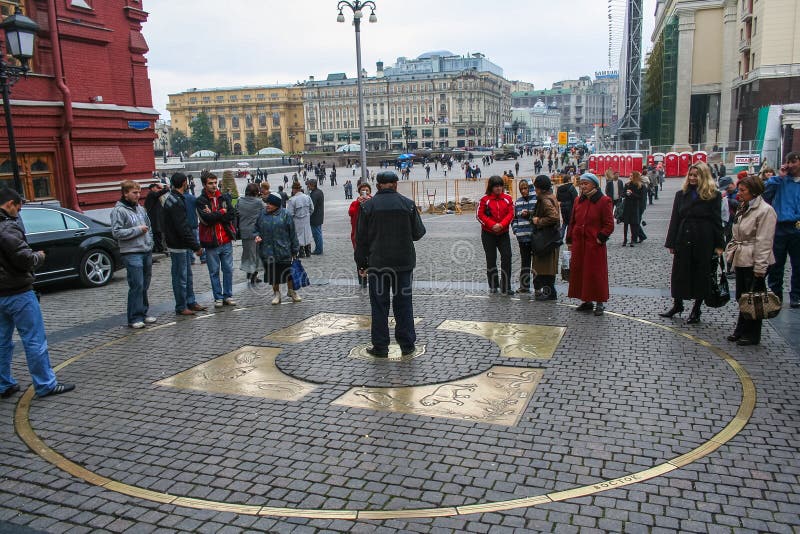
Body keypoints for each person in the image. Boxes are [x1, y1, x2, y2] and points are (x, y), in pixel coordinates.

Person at [0, 187, 75, 399]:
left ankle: (3, 383)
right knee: (34, 340)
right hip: (18, 292)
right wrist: (39, 256)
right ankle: (45, 384)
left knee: (2, 341)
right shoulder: (7, 229)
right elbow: (24, 259)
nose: (19, 211)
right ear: (10, 204)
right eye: (19, 207)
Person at [354, 171, 426, 357]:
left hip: (378, 264)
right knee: (404, 304)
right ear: (396, 184)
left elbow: (361, 239)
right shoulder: (408, 205)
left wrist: (361, 264)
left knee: (379, 305)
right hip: (403, 263)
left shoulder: (367, 207)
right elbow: (418, 233)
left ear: (377, 186)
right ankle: (407, 344)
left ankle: (380, 346)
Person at [661, 162, 725, 323]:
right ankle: (678, 304)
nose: (692, 178)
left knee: (701, 274)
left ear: (703, 177)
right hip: (683, 236)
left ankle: (697, 309)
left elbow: (717, 220)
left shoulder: (713, 195)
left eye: (696, 175)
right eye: (690, 175)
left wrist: (719, 245)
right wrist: (671, 242)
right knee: (679, 273)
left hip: (703, 237)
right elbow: (675, 219)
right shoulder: (681, 194)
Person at [724, 175, 777, 346]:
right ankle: (741, 329)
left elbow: (764, 241)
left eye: (743, 191)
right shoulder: (744, 206)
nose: (739, 193)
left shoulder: (765, 210)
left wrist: (760, 267)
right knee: (743, 296)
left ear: (753, 192)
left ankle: (752, 333)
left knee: (755, 297)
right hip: (743, 257)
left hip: (755, 259)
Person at [566, 173, 614, 315]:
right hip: (579, 244)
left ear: (594, 184)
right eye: (581, 184)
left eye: (586, 183)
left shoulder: (604, 201)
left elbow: (609, 224)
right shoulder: (577, 201)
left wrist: (600, 238)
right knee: (581, 273)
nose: (583, 186)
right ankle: (586, 301)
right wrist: (570, 239)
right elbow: (572, 221)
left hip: (594, 245)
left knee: (596, 274)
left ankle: (599, 302)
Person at [110, 180, 155, 329]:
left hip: (145, 250)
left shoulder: (140, 209)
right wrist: (137, 230)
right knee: (137, 284)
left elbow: (148, 226)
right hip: (131, 252)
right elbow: (116, 232)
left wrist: (150, 242)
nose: (138, 195)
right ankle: (134, 317)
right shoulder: (119, 211)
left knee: (144, 284)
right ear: (125, 193)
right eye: (134, 192)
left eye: (138, 192)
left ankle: (143, 312)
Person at [162, 173, 205, 316]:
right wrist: (196, 246)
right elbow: (183, 227)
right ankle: (181, 306)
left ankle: (190, 301)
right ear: (185, 183)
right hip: (178, 244)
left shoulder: (172, 198)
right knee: (181, 277)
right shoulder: (176, 201)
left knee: (187, 275)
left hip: (179, 243)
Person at [763, 152, 800, 308]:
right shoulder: (780, 181)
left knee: (798, 264)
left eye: (793, 162)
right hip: (779, 226)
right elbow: (765, 194)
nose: (790, 165)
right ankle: (775, 293)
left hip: (797, 226)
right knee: (776, 263)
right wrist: (779, 177)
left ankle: (796, 295)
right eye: (788, 162)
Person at [196, 171, 237, 308]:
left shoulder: (223, 197)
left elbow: (232, 214)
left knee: (228, 270)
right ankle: (218, 297)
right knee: (214, 271)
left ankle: (228, 295)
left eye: (215, 183)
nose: (214, 186)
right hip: (211, 242)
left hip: (225, 240)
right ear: (204, 184)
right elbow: (207, 220)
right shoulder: (201, 200)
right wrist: (221, 212)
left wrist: (215, 214)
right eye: (210, 183)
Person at [254, 194, 301, 305]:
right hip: (267, 250)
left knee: (288, 273)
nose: (268, 205)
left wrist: (295, 249)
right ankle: (276, 294)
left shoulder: (286, 214)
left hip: (284, 249)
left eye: (271, 204)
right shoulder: (262, 214)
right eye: (267, 203)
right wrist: (256, 235)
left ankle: (291, 291)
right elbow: (255, 228)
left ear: (277, 205)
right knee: (273, 275)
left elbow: (292, 233)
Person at [477, 176, 515, 295]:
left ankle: (506, 285)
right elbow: (480, 215)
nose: (498, 188)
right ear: (491, 187)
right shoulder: (484, 199)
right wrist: (492, 224)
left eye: (500, 186)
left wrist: (501, 225)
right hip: (488, 233)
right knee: (491, 259)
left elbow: (511, 214)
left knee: (507, 257)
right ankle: (493, 284)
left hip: (503, 233)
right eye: (496, 186)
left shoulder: (508, 199)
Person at [531, 175, 561, 300]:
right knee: (547, 266)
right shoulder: (550, 196)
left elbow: (554, 217)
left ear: (540, 188)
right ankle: (549, 291)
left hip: (546, 238)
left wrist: (539, 221)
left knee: (543, 267)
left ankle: (549, 292)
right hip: (551, 237)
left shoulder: (544, 200)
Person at [511, 179, 536, 294]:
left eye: (526, 188)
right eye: (521, 189)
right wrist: (516, 230)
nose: (524, 191)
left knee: (536, 263)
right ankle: (524, 286)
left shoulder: (536, 201)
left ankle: (538, 287)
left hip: (534, 237)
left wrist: (529, 215)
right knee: (525, 262)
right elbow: (514, 218)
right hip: (522, 237)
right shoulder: (518, 202)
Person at [238, 183, 264, 284]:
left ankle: (249, 271)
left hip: (244, 231)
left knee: (247, 253)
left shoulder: (240, 201)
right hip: (255, 232)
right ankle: (253, 274)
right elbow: (265, 211)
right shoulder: (258, 202)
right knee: (256, 254)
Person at [349, 182, 373, 288]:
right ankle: (362, 279)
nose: (365, 192)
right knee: (360, 257)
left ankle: (372, 278)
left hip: (371, 233)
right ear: (359, 193)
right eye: (363, 190)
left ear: (370, 192)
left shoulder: (373, 201)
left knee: (372, 256)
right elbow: (351, 212)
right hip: (357, 234)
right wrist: (359, 203)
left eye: (367, 190)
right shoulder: (355, 203)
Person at [287, 182, 314, 258]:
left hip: (297, 220)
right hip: (306, 219)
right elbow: (312, 209)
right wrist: (307, 215)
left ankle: (301, 252)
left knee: (298, 236)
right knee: (307, 235)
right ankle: (308, 252)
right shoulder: (307, 197)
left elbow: (290, 214)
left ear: (294, 189)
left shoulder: (292, 200)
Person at [621, 171, 645, 247]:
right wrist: (626, 194)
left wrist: (632, 193)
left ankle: (633, 240)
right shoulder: (627, 184)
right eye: (630, 175)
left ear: (635, 176)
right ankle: (625, 239)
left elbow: (640, 197)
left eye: (631, 175)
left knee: (634, 224)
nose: (630, 177)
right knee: (625, 224)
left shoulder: (640, 186)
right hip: (627, 206)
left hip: (635, 207)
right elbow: (622, 194)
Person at [144, 182, 168, 254]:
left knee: (156, 233)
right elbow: (159, 193)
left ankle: (156, 248)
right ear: (152, 188)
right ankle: (160, 249)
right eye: (156, 187)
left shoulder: (152, 195)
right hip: (154, 217)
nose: (157, 189)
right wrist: (165, 189)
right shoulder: (152, 194)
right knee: (157, 233)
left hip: (155, 217)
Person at [307, 178, 325, 255]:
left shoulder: (314, 194)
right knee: (318, 233)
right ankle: (319, 249)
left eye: (309, 185)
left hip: (315, 217)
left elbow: (312, 207)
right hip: (319, 216)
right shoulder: (319, 192)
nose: (308, 186)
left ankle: (318, 250)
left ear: (313, 185)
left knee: (317, 234)